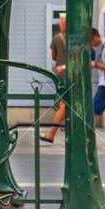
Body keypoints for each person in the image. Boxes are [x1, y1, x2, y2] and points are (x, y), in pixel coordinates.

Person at [41, 14, 68, 143]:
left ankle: (51, 134)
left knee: (63, 104)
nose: (59, 24)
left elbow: (53, 57)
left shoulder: (57, 38)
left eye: (61, 22)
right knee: (69, 104)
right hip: (75, 76)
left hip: (61, 76)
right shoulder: (77, 39)